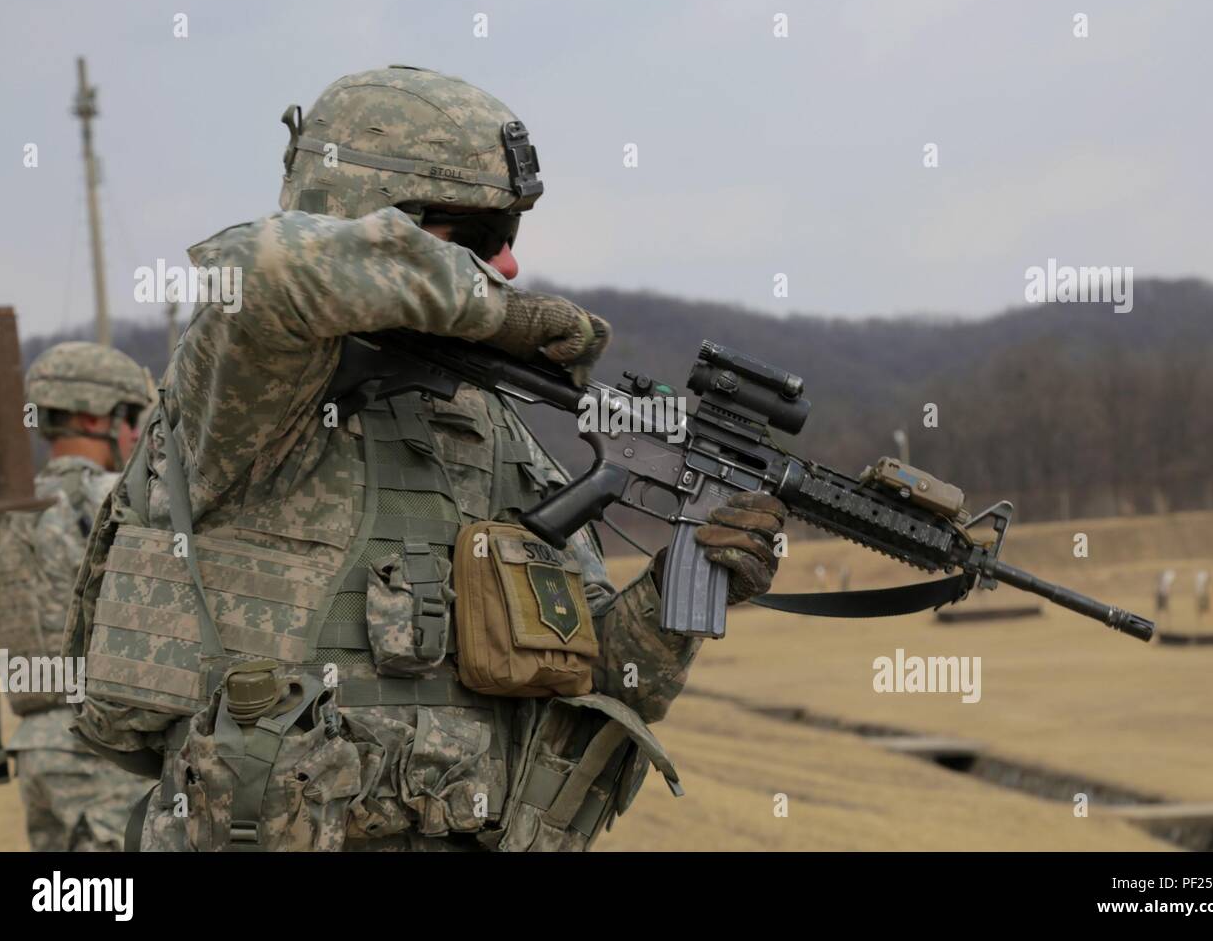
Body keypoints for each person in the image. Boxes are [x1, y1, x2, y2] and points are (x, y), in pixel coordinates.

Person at [65, 66, 787, 852]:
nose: (506, 267)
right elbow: (263, 268)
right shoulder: (249, 398)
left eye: (511, 240)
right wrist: (504, 317)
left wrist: (680, 590)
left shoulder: (489, 427)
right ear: (366, 218)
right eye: (479, 239)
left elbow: (599, 678)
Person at [0, 342, 155, 850]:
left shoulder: (3, 516)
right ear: (92, 416)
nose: (135, 434)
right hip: (106, 747)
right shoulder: (122, 499)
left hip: (38, 748)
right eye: (129, 418)